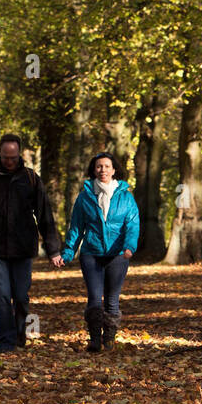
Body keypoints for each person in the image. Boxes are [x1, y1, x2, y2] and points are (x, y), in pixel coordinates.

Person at [0, 133, 62, 354]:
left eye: (13, 157)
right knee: (1, 296)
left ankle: (22, 333)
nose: (9, 161)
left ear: (19, 154)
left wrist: (53, 249)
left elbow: (44, 214)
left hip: (23, 247)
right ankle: (5, 342)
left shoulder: (31, 178)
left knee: (21, 296)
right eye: (5, 157)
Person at [62, 151, 139, 353]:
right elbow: (76, 228)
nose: (102, 169)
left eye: (106, 166)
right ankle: (95, 340)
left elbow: (132, 224)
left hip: (118, 255)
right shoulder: (85, 197)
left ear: (114, 170)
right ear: (93, 170)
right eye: (98, 166)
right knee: (95, 299)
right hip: (91, 254)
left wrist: (130, 246)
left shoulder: (126, 197)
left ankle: (110, 339)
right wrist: (68, 253)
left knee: (112, 299)